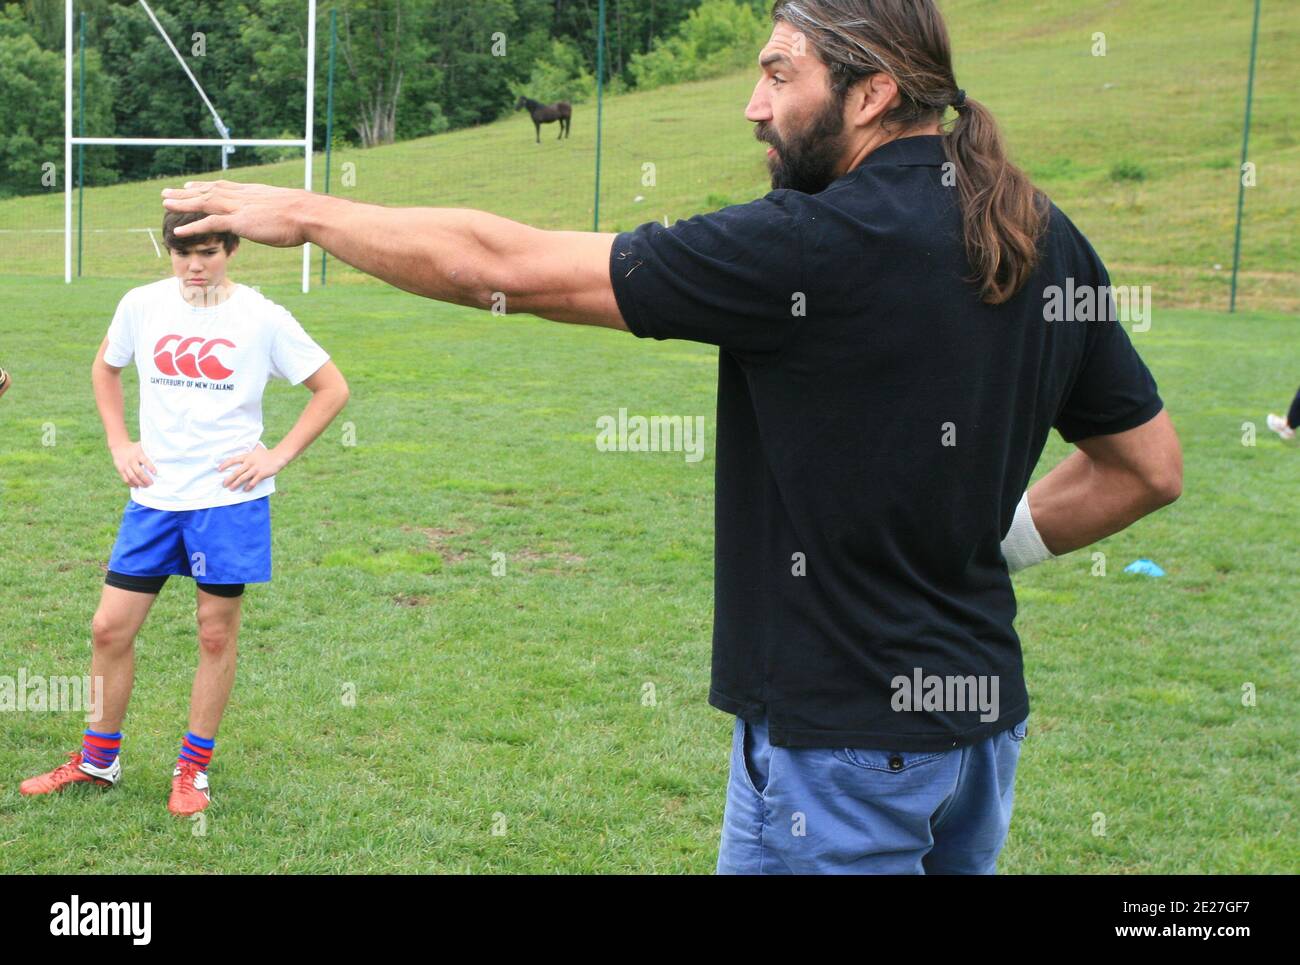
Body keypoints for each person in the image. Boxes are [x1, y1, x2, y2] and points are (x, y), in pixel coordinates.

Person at [158, 0, 1182, 871]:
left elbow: (498, 266)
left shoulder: (812, 247)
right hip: (978, 728)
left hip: (838, 746)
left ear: (868, 93)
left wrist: (305, 211)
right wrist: (983, 544)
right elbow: (1144, 468)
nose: (754, 107)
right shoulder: (1037, 231)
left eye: (778, 76)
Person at [20, 211, 350, 817]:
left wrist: (276, 456)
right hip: (154, 499)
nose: (194, 266)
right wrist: (120, 443)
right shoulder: (141, 305)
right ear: (168, 252)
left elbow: (332, 388)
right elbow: (105, 368)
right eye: (182, 253)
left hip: (227, 502)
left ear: (231, 249)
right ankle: (98, 760)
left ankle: (193, 771)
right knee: (108, 628)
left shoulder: (263, 318)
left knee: (214, 633)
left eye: (208, 252)